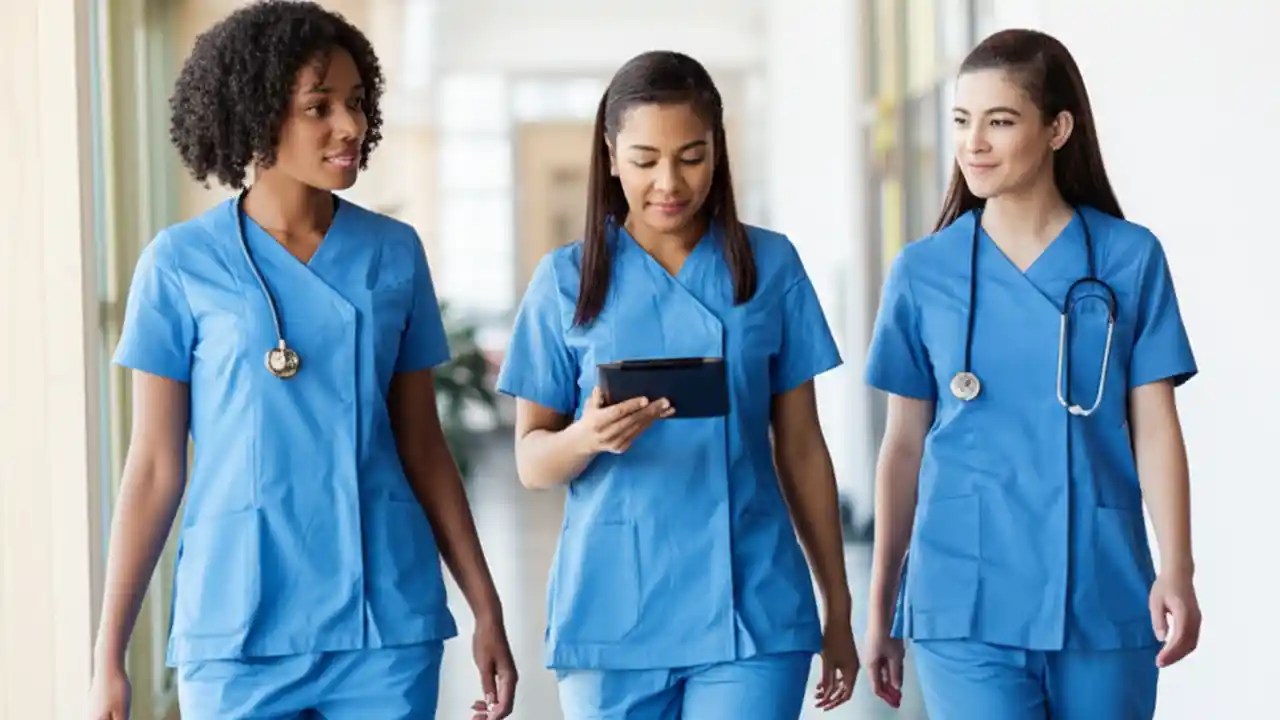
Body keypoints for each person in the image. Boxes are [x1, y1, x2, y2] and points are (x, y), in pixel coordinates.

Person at [86, 3, 516, 719]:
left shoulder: (393, 252)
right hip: (236, 628)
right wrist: (109, 656)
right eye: (319, 106)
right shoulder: (179, 265)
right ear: (256, 115)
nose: (348, 127)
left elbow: (423, 444)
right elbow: (156, 466)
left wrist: (486, 606)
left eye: (356, 103)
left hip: (384, 622)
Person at [495, 50, 859, 719]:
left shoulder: (769, 266)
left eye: (692, 156)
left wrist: (838, 603)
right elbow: (531, 462)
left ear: (718, 150)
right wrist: (585, 437)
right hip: (611, 609)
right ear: (609, 156)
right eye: (644, 159)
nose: (670, 181)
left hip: (752, 605)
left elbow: (802, 448)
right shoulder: (565, 281)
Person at [861, 28, 1201, 720]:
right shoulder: (923, 273)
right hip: (963, 592)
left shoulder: (1128, 259)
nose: (973, 142)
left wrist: (1179, 567)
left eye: (1000, 120)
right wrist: (881, 606)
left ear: (1057, 129)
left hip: (1100, 584)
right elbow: (902, 448)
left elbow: (1156, 428)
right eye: (961, 121)